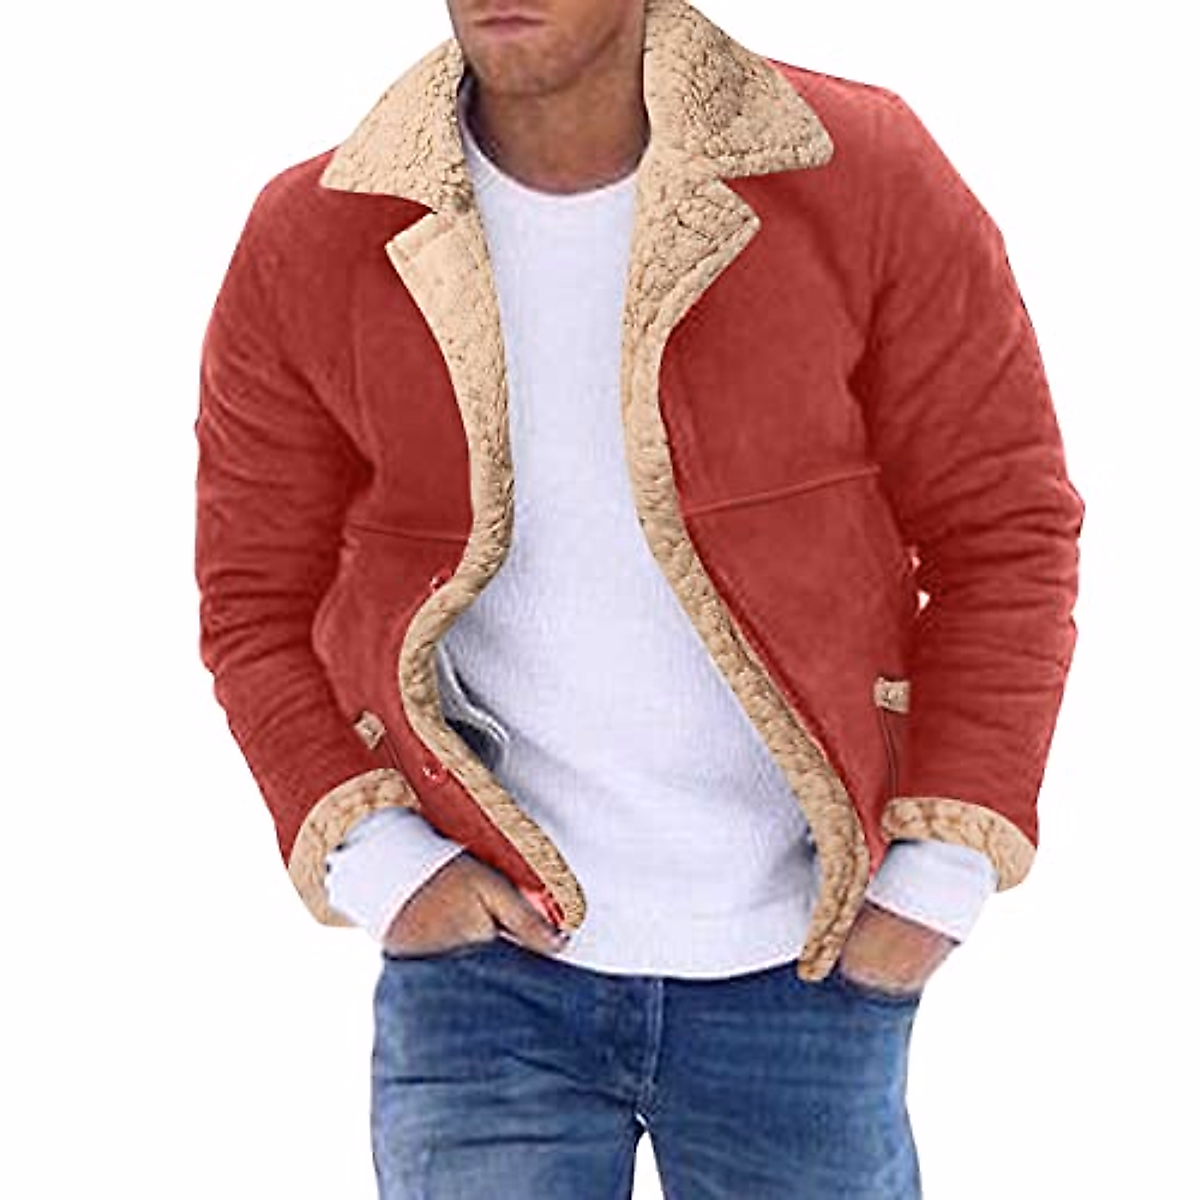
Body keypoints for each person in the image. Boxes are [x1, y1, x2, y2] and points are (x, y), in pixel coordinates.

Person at [193, 0, 1085, 1196]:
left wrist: (937, 875)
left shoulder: (856, 171)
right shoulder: (318, 234)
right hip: (484, 984)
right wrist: (381, 863)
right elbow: (254, 595)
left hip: (809, 967)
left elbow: (1003, 532)